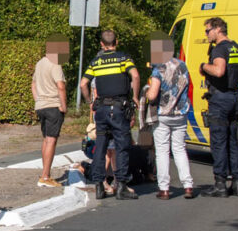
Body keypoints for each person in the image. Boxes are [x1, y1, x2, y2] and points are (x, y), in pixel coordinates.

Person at [78, 29, 140, 200]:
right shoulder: (123, 59)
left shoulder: (96, 62)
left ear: (101, 44)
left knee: (101, 146)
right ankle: (121, 185)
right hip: (119, 108)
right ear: (116, 42)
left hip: (102, 110)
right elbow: (135, 74)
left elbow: (83, 83)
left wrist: (90, 101)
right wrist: (135, 97)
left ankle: (99, 185)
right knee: (122, 146)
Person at [144, 34, 196, 199]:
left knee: (162, 151)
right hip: (180, 113)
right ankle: (188, 185)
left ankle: (164, 188)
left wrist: (146, 92)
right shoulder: (182, 66)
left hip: (163, 114)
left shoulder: (158, 69)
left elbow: (152, 95)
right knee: (180, 148)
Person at [199, 17, 238, 196]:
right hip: (235, 97)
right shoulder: (237, 47)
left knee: (219, 142)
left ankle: (220, 183)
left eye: (208, 30)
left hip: (220, 98)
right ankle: (237, 182)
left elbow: (219, 70)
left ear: (218, 29)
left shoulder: (219, 49)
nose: (207, 34)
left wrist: (204, 66)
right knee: (233, 141)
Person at [32, 38, 69, 187]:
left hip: (41, 105)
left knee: (46, 139)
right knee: (52, 140)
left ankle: (45, 173)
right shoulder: (55, 64)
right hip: (53, 105)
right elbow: (60, 86)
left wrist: (38, 100)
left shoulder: (39, 63)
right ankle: (45, 177)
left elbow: (33, 84)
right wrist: (63, 106)